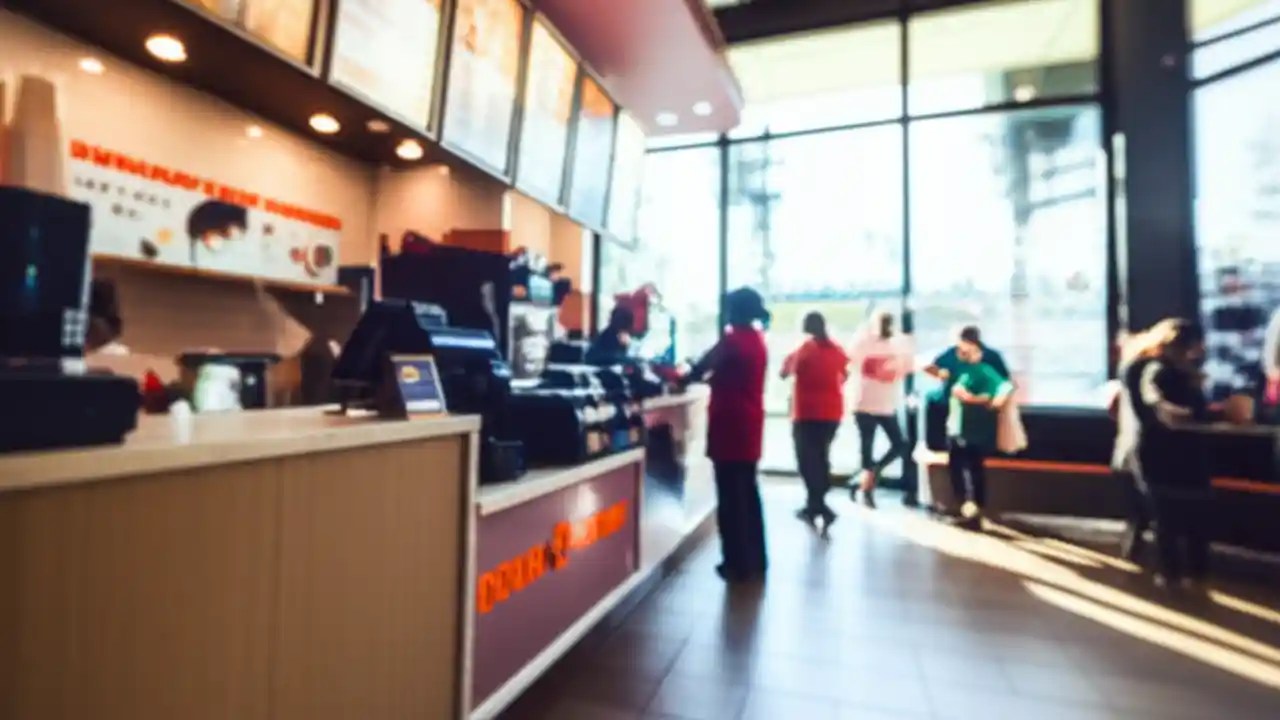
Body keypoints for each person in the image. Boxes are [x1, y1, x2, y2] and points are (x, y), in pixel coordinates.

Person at [1122, 319, 1219, 588]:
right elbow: (1166, 410)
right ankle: (1189, 571)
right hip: (1174, 452)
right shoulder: (1159, 371)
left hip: (1155, 452)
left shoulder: (1139, 366)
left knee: (1166, 515)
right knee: (1186, 513)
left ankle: (1172, 572)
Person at [684, 288, 770, 582]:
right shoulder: (757, 341)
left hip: (729, 424)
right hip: (750, 425)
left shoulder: (732, 342)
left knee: (730, 497)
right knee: (747, 493)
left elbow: (697, 370)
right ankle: (756, 559)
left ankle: (736, 563)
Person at [780, 311, 849, 532]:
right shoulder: (836, 349)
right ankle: (815, 504)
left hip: (807, 413)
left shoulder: (805, 350)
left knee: (806, 460)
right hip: (832, 413)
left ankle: (818, 505)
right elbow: (845, 374)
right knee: (821, 457)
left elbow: (784, 372)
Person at [946, 336, 1014, 530]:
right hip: (957, 428)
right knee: (958, 468)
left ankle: (974, 511)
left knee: (972, 469)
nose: (961, 354)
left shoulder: (984, 370)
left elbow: (1003, 387)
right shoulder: (963, 370)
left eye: (966, 351)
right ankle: (965, 508)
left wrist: (983, 400)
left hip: (973, 429)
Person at [848, 310, 913, 509]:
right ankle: (867, 484)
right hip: (875, 402)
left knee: (873, 446)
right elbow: (905, 368)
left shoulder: (868, 341)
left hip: (872, 402)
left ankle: (867, 477)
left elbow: (851, 363)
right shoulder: (893, 344)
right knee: (896, 444)